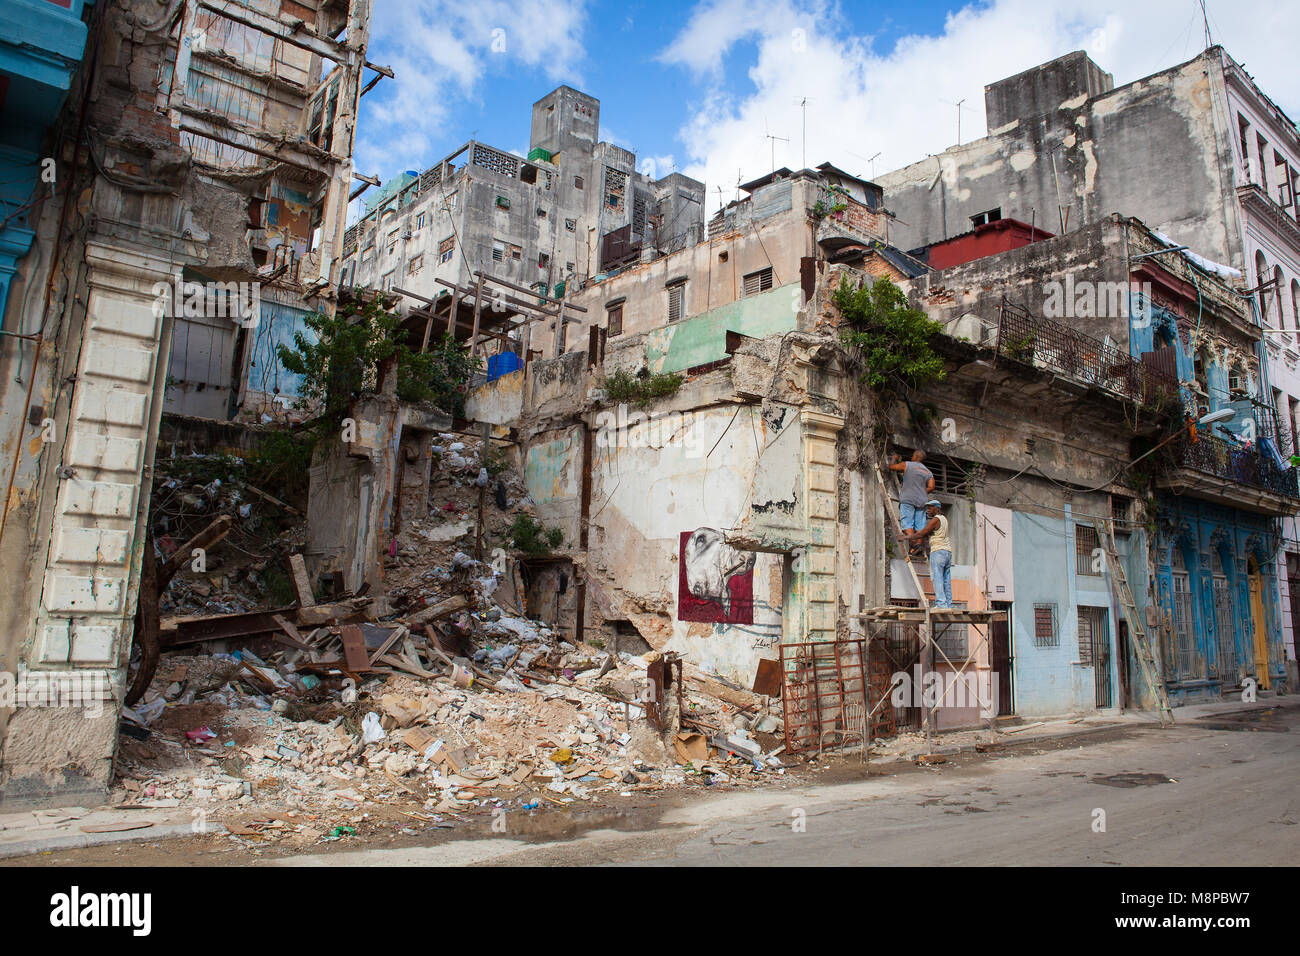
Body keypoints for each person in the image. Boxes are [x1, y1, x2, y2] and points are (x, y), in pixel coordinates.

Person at [906, 500, 953, 609]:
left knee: (937, 577)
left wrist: (906, 537)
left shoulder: (935, 519)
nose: (928, 510)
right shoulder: (944, 519)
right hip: (947, 551)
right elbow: (933, 532)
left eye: (931, 508)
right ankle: (948, 604)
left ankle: (941, 604)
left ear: (937, 508)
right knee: (946, 578)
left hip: (938, 551)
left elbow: (923, 532)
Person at [888, 450, 934, 558]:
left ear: (915, 457)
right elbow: (932, 486)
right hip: (922, 500)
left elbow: (892, 467)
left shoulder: (907, 464)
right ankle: (917, 546)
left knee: (907, 523)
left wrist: (894, 459)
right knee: (920, 525)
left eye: (913, 455)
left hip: (908, 499)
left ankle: (914, 544)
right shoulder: (928, 472)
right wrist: (922, 491)